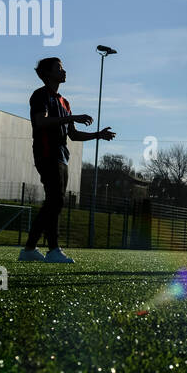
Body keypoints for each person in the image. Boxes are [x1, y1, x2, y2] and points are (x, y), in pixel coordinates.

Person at [20, 57, 115, 263]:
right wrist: (73, 118)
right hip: (46, 153)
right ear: (47, 74)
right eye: (59, 68)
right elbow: (41, 121)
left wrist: (98, 134)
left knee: (55, 201)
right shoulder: (40, 95)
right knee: (55, 200)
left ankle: (29, 248)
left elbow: (73, 135)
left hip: (62, 156)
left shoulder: (64, 102)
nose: (64, 71)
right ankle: (52, 249)